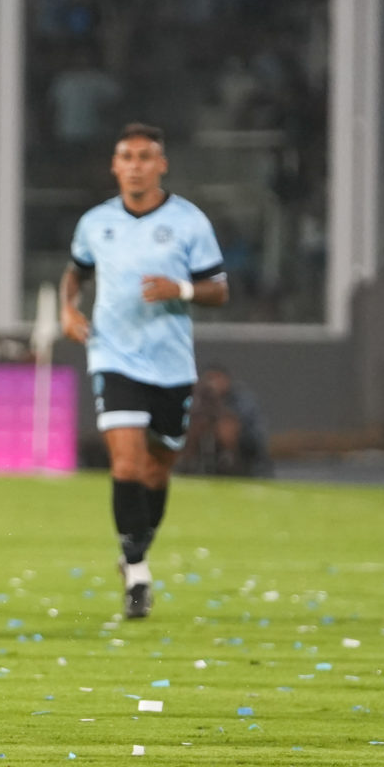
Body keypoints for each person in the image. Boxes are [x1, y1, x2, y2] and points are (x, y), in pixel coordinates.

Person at [59, 122, 229, 619]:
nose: (135, 165)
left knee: (157, 469)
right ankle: (136, 572)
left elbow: (218, 287)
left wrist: (184, 290)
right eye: (126, 157)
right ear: (115, 166)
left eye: (144, 157)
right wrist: (68, 309)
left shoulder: (189, 221)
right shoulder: (96, 222)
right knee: (127, 464)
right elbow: (76, 270)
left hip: (171, 364)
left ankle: (137, 547)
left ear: (161, 165)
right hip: (114, 356)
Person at [179, 364, 273, 478]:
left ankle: (233, 466)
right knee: (193, 427)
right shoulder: (199, 398)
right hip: (204, 442)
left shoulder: (241, 399)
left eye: (217, 378)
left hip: (245, 446)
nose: (213, 384)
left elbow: (253, 431)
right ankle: (187, 467)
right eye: (209, 379)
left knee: (226, 427)